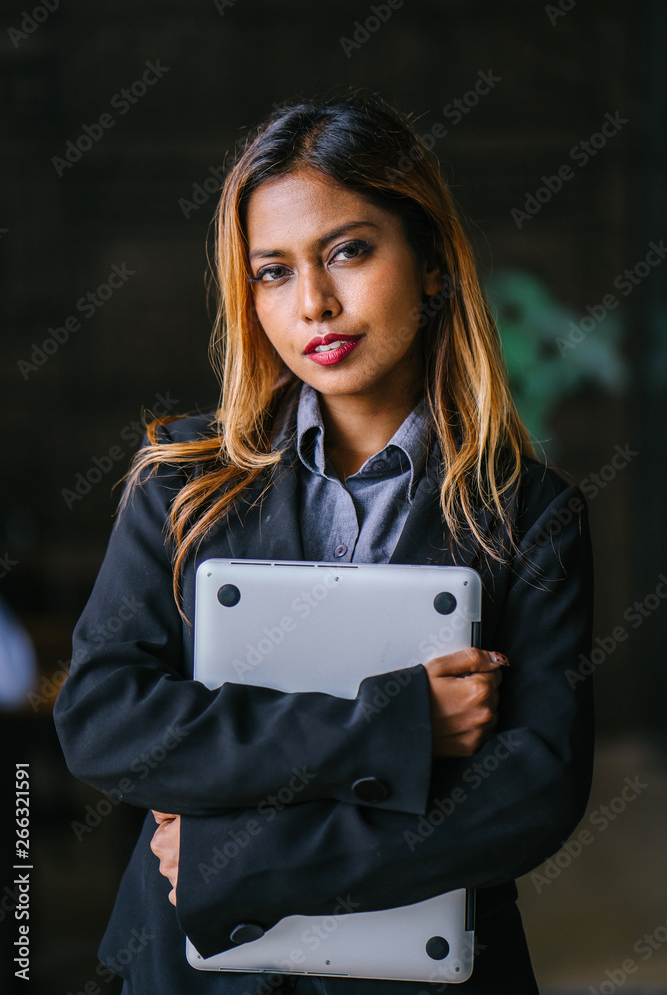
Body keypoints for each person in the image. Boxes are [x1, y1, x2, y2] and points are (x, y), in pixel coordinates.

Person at [53, 91, 594, 995]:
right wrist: (395, 725)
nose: (314, 303)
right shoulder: (181, 482)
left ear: (428, 263)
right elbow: (106, 724)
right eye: (273, 270)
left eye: (348, 250)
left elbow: (527, 797)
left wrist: (245, 855)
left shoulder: (527, 513)